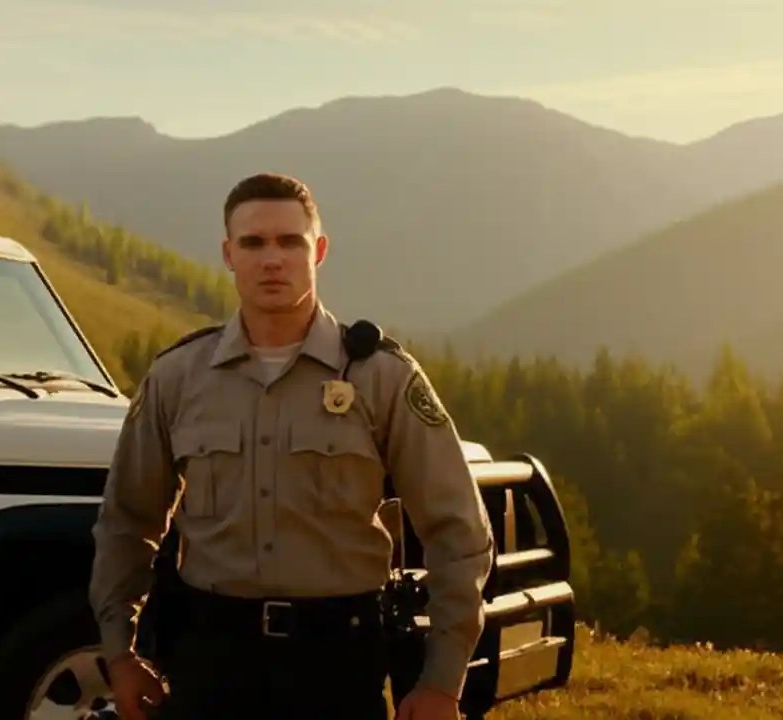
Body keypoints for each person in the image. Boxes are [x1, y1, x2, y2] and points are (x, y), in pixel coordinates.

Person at [89, 172, 495, 720]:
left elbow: (458, 532)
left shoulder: (382, 378)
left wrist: (443, 680)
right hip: (210, 658)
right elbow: (127, 521)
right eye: (254, 243)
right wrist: (121, 652)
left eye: (290, 241)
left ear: (319, 250)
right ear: (229, 254)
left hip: (337, 663)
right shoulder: (178, 378)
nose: (271, 259)